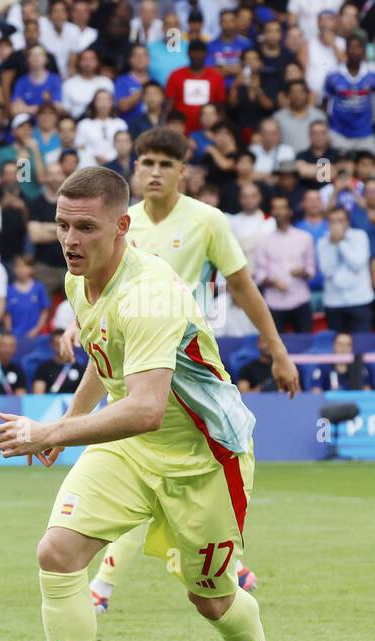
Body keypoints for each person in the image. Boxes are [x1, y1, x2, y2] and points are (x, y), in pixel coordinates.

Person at [0, 165, 279, 641]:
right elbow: (106, 355)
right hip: (129, 450)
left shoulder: (151, 292)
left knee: (212, 599)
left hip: (205, 458)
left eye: (85, 228)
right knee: (57, 552)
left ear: (122, 226)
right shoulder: (80, 279)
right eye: (63, 226)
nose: (70, 240)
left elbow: (147, 408)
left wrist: (55, 430)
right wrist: (68, 422)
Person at [66, 128, 299, 613]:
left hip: (185, 373)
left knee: (199, 567)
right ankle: (102, 589)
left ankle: (222, 564)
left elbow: (241, 287)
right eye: (145, 162)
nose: (153, 171)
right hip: (130, 376)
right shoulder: (106, 224)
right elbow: (101, 307)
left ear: (182, 172)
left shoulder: (207, 221)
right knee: (132, 479)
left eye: (164, 164)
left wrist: (276, 348)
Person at [253, 194, 317, 333]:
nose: (279, 212)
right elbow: (259, 274)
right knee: (276, 346)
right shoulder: (263, 241)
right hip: (274, 302)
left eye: (282, 208)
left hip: (300, 299)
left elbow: (311, 270)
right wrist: (272, 281)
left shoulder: (304, 238)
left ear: (290, 211)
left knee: (305, 344)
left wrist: (303, 272)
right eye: (275, 208)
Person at [318, 207, 374, 334]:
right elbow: (327, 271)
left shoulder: (360, 236)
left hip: (360, 299)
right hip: (334, 302)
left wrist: (341, 242)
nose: (337, 225)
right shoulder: (323, 242)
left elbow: (357, 264)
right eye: (333, 221)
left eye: (340, 220)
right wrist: (333, 245)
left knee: (362, 346)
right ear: (328, 223)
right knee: (338, 348)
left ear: (348, 221)